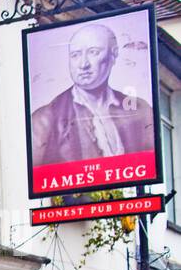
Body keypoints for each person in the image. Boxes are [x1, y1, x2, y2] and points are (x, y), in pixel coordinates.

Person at [30, 22, 154, 166]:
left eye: (93, 52)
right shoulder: (45, 119)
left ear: (113, 54)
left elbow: (149, 163)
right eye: (75, 55)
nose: (83, 64)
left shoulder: (139, 110)